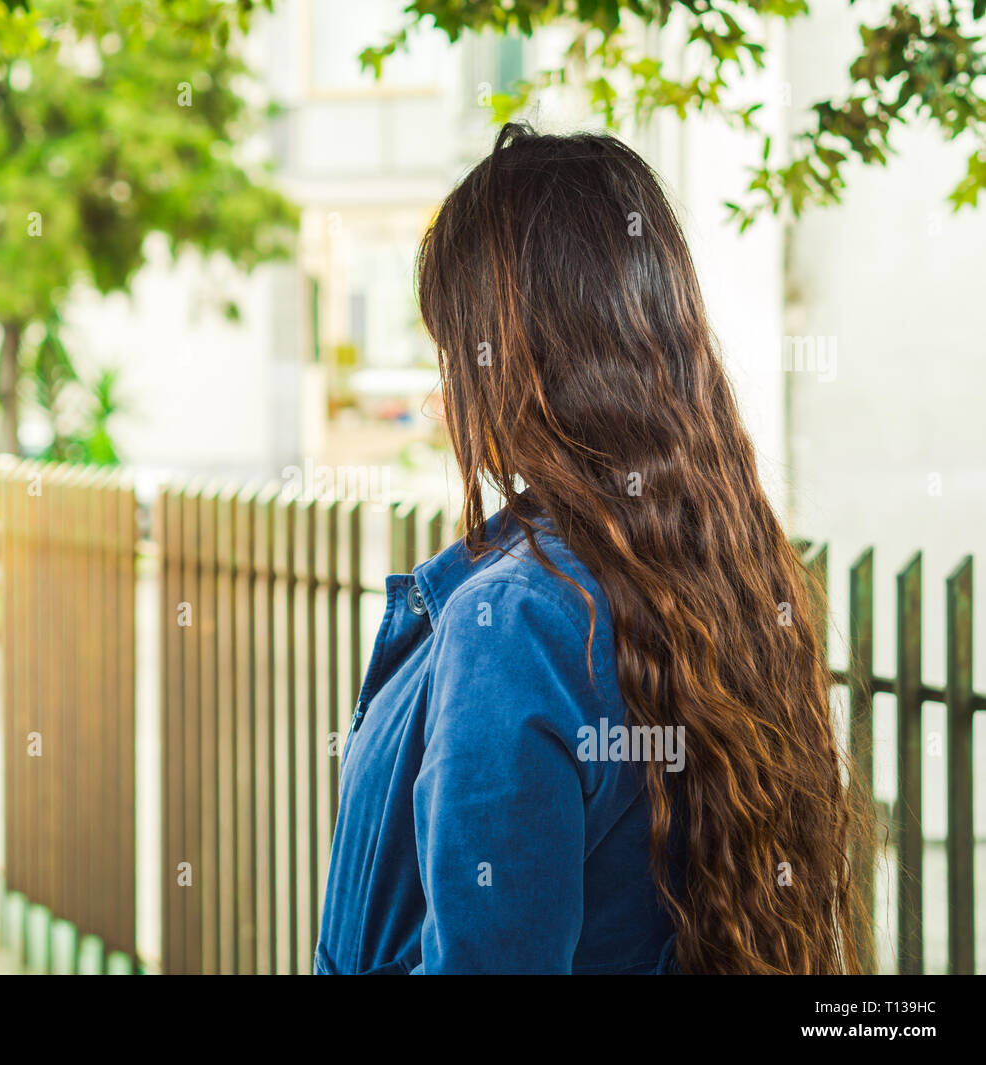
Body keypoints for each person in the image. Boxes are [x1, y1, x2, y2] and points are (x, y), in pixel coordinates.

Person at [314, 122, 867, 975]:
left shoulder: (516, 622)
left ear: (518, 357)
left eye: (454, 353)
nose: (441, 397)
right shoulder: (722, 573)